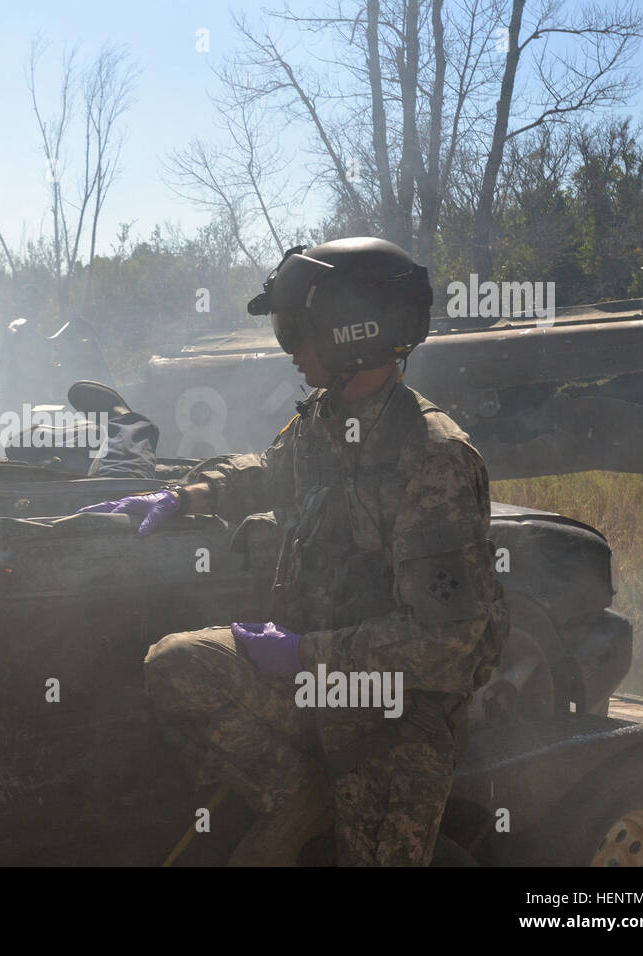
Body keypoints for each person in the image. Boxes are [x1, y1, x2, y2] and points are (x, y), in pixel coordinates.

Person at [79, 237, 508, 865]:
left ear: (350, 335)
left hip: (389, 708)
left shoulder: (435, 457)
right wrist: (186, 495)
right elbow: (270, 472)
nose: (292, 352)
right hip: (311, 675)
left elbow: (443, 644)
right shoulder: (324, 419)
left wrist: (304, 653)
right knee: (177, 665)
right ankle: (297, 797)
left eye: (297, 333)